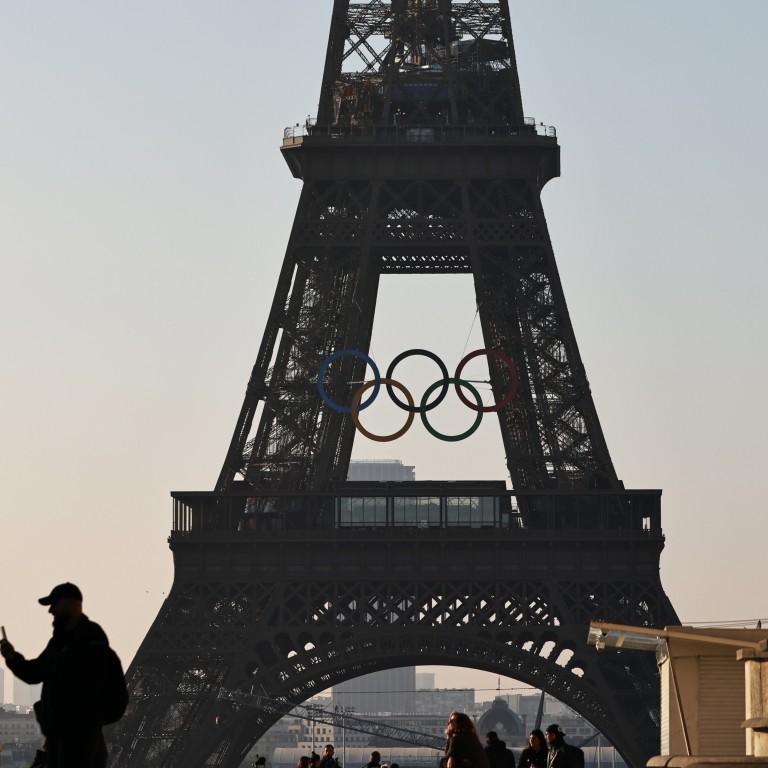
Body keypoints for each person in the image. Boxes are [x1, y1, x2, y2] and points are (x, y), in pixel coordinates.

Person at [0, 582, 121, 768]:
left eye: (55, 603)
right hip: (63, 740)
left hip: (79, 741)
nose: (51, 610)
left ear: (73, 603)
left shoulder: (89, 642)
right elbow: (34, 672)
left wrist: (84, 725)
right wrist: (12, 657)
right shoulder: (59, 644)